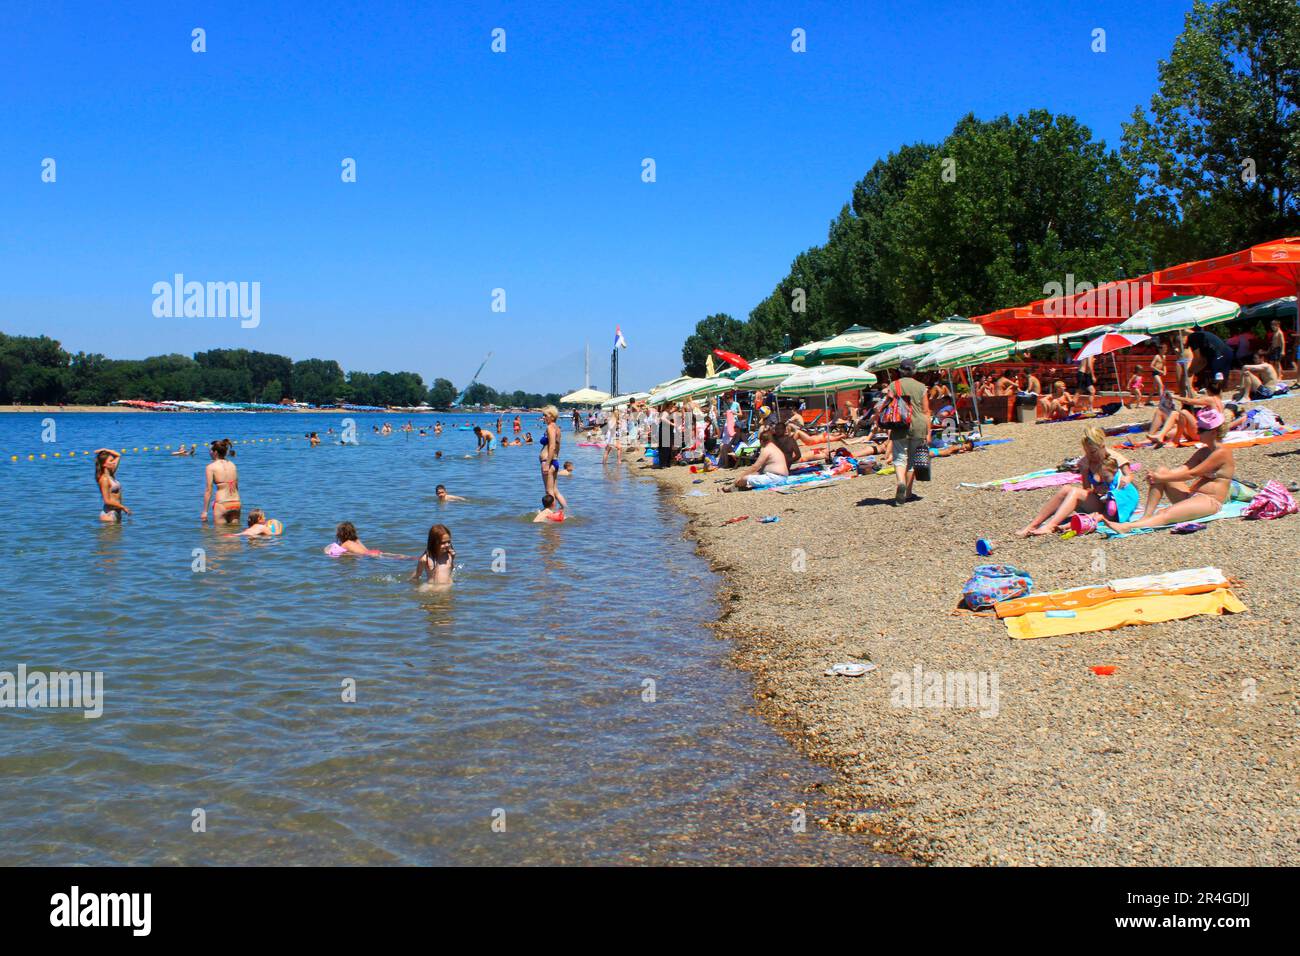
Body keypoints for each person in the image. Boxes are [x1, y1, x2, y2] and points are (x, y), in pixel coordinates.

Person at [1101, 409, 1235, 533]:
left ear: (1213, 432)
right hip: (1193, 495)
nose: (1197, 432)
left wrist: (1162, 478)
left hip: (1210, 501)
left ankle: (1127, 527)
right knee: (1162, 470)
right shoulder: (1204, 451)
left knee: (1165, 513)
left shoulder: (1222, 452)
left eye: (1201, 430)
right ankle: (1146, 516)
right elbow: (1184, 468)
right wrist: (1158, 475)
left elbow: (1192, 473)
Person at [1016, 426, 1134, 536]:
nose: (1090, 456)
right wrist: (1085, 471)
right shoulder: (1086, 461)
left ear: (1102, 446)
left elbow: (1129, 476)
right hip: (1101, 501)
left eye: (1093, 452)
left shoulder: (1115, 458)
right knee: (1066, 489)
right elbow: (1087, 489)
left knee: (1075, 492)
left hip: (1115, 505)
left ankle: (1050, 526)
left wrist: (1122, 482)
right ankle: (1033, 525)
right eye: (1087, 452)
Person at [882, 359, 930, 505]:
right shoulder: (921, 387)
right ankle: (908, 493)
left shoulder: (894, 385)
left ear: (900, 371)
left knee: (899, 457)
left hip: (900, 424)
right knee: (912, 460)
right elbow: (926, 411)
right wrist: (928, 432)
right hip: (918, 425)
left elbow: (886, 404)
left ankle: (901, 482)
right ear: (914, 371)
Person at [202, 439, 240, 525]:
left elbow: (208, 490)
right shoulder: (232, 464)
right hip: (236, 502)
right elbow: (236, 487)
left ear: (215, 452)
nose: (209, 452)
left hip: (222, 503)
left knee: (220, 532)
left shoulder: (210, 467)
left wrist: (205, 512)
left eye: (210, 450)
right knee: (234, 532)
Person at [539, 405, 569, 511]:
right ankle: (566, 511)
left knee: (549, 492)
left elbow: (552, 446)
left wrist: (547, 464)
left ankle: (551, 514)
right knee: (555, 491)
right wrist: (555, 458)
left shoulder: (550, 428)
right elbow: (558, 446)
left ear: (551, 416)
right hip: (554, 461)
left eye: (545, 415)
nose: (543, 417)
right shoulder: (557, 428)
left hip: (548, 462)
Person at [94, 448, 130, 522]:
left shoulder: (111, 474)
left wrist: (105, 449)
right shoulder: (104, 480)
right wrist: (123, 507)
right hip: (109, 514)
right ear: (104, 464)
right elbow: (107, 501)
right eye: (111, 461)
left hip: (117, 512)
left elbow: (118, 455)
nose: (114, 462)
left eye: (113, 460)